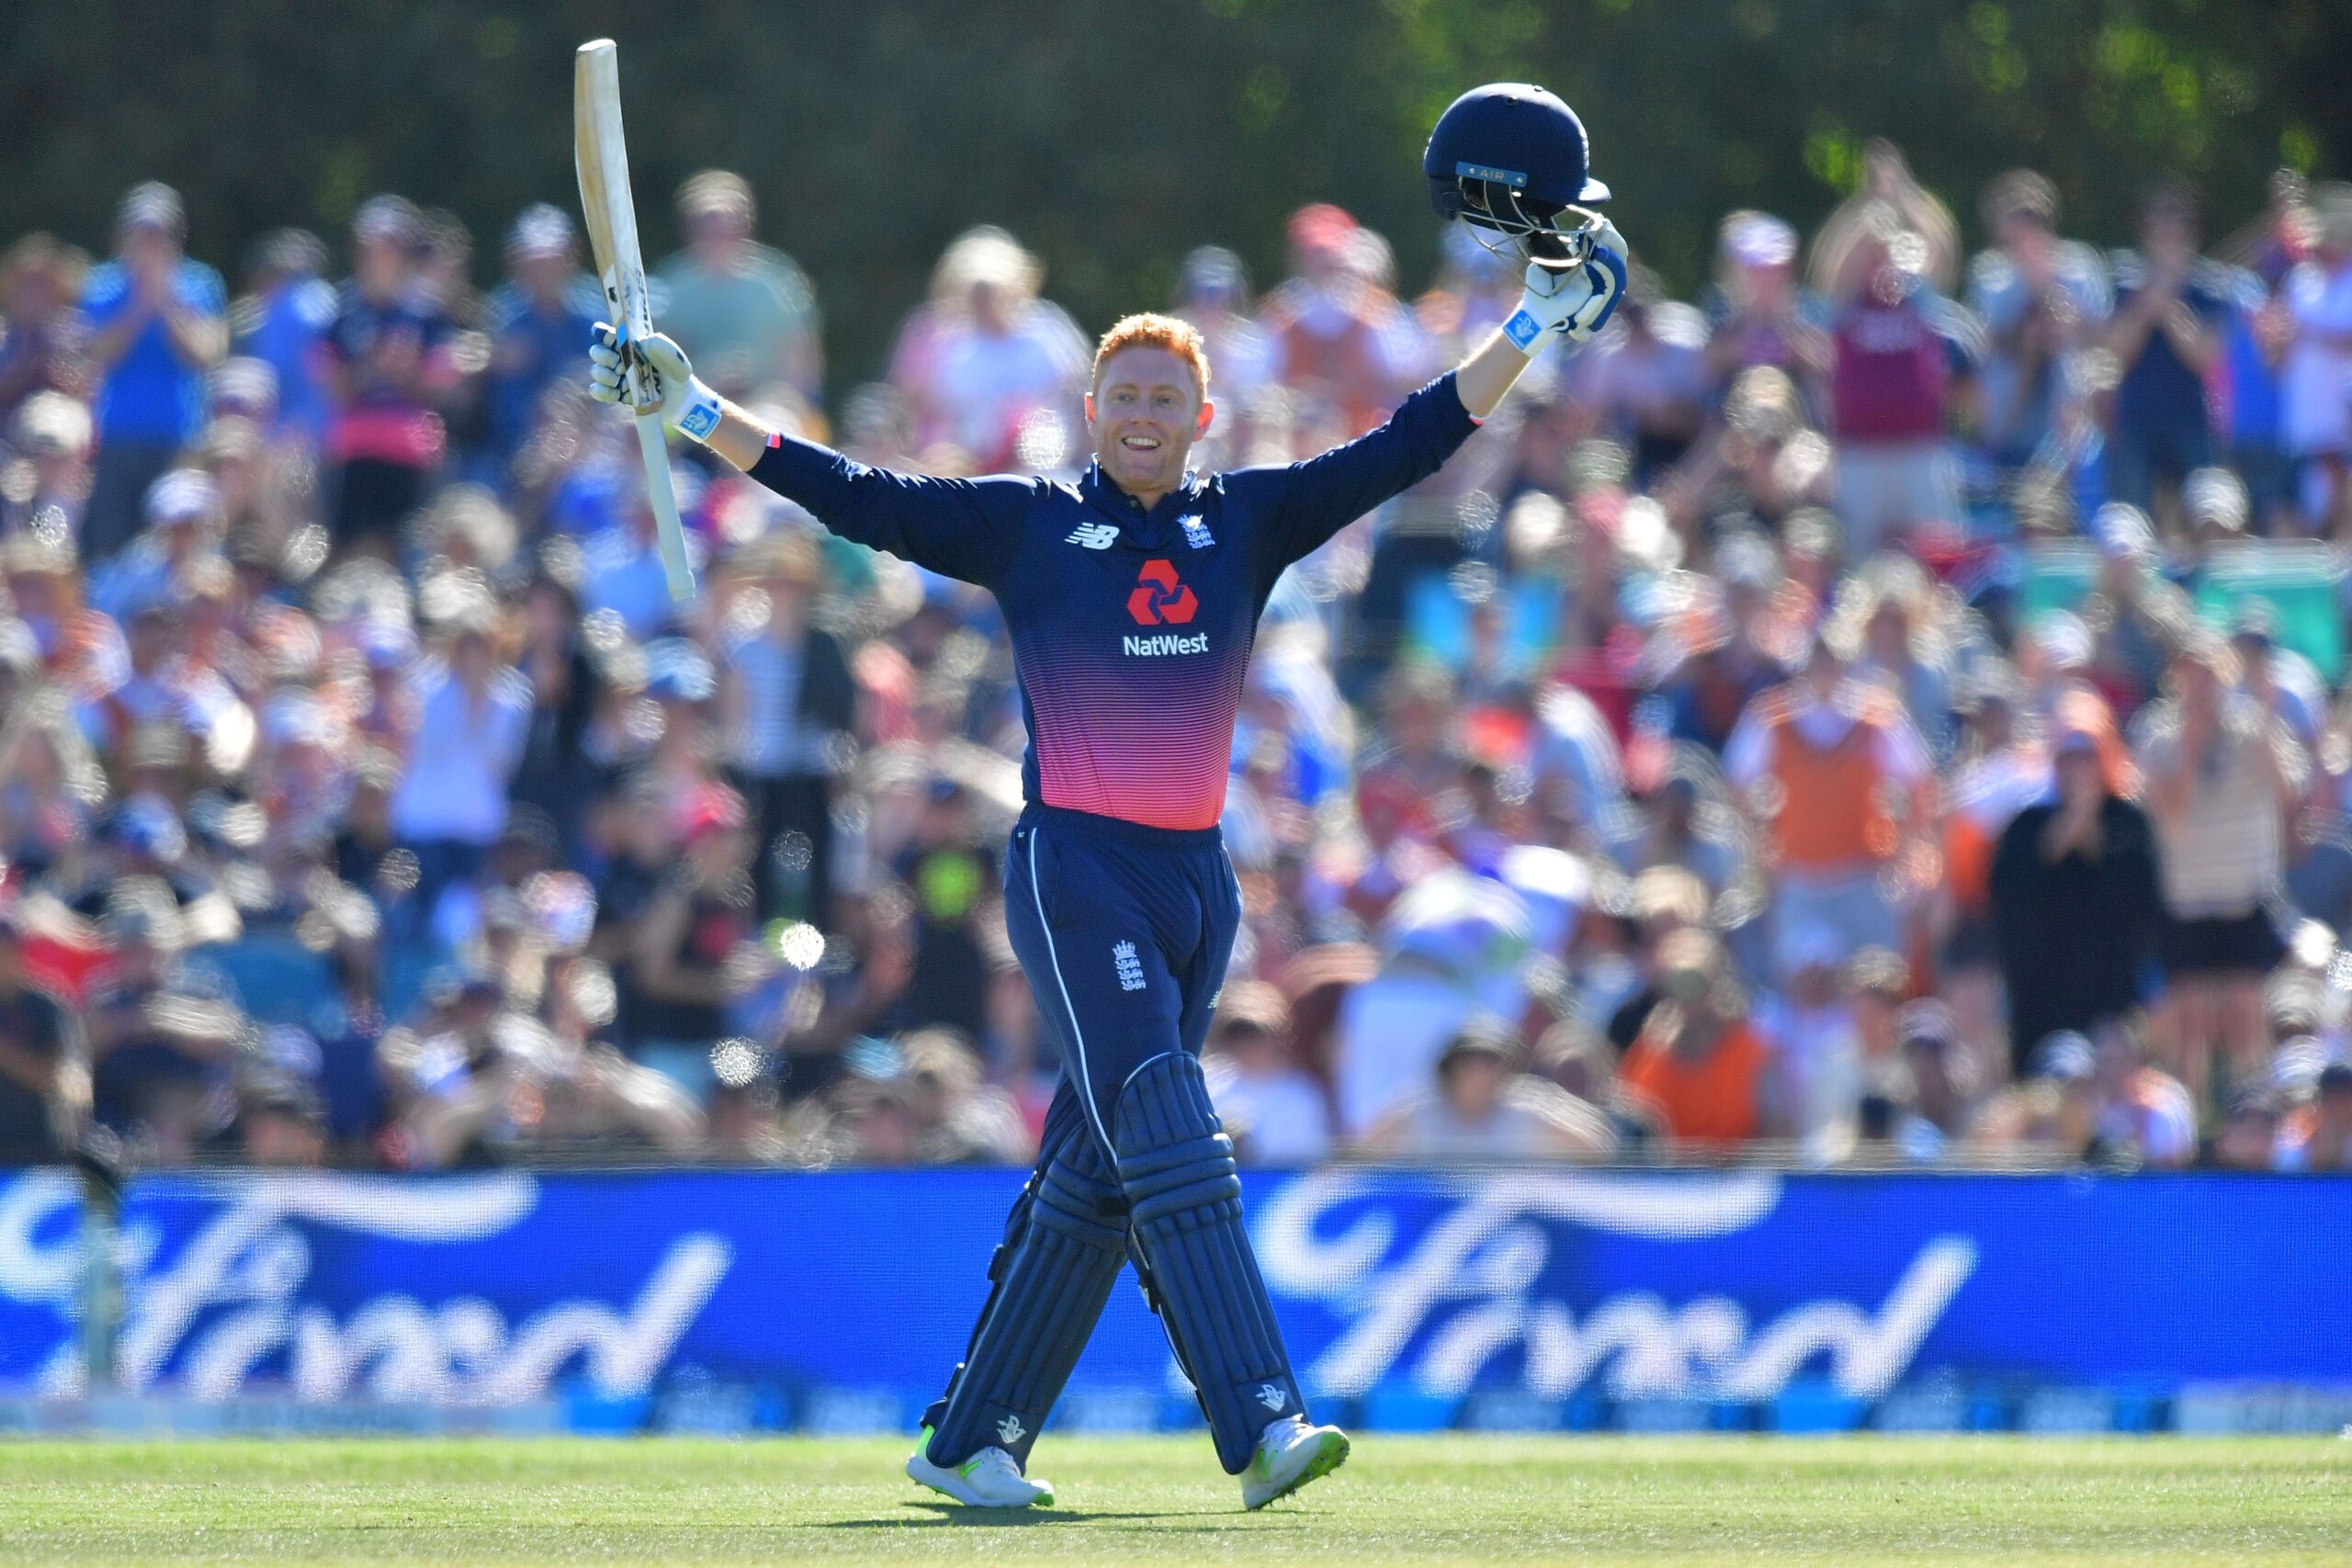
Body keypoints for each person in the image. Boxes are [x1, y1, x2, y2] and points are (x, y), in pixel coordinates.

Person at [590, 79, 1626, 1510]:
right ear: (1093, 408)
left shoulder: (1247, 519)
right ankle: (1261, 1413)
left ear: (1201, 415)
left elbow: (1412, 442)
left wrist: (1530, 324)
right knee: (1163, 1109)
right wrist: (693, 405)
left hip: (1197, 878)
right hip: (1073, 865)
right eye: (1122, 397)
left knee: (1098, 1160)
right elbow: (854, 492)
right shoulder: (1029, 526)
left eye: (1165, 399)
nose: (1143, 416)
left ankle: (973, 1439)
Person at [1987, 694, 2162, 1077]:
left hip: (2111, 996)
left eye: (2088, 757)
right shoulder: (2026, 824)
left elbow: (2144, 906)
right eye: (2069, 757)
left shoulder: (2129, 822)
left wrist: (2094, 840)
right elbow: (2009, 899)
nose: (2078, 769)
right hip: (2042, 998)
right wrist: (2059, 838)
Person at [79, 184, 227, 562]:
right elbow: (99, 353)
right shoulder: (102, 286)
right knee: (112, 543)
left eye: (158, 234)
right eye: (141, 233)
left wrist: (164, 300)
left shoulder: (200, 284)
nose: (149, 243)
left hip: (177, 435)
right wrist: (138, 307)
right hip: (117, 434)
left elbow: (205, 352)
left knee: (170, 544)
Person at [2101, 178, 2231, 529]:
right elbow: (2113, 353)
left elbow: (2208, 357)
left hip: (2191, 421)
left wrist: (2170, 308)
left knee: (2207, 515)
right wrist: (2147, 305)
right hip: (2136, 422)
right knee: (2133, 519)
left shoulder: (2210, 288)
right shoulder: (2124, 285)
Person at [654, 171, 822, 404]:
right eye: (707, 227)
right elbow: (660, 365)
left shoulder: (777, 284)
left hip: (768, 407)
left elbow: (800, 368)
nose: (718, 237)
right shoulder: (671, 289)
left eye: (727, 227)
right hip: (692, 405)